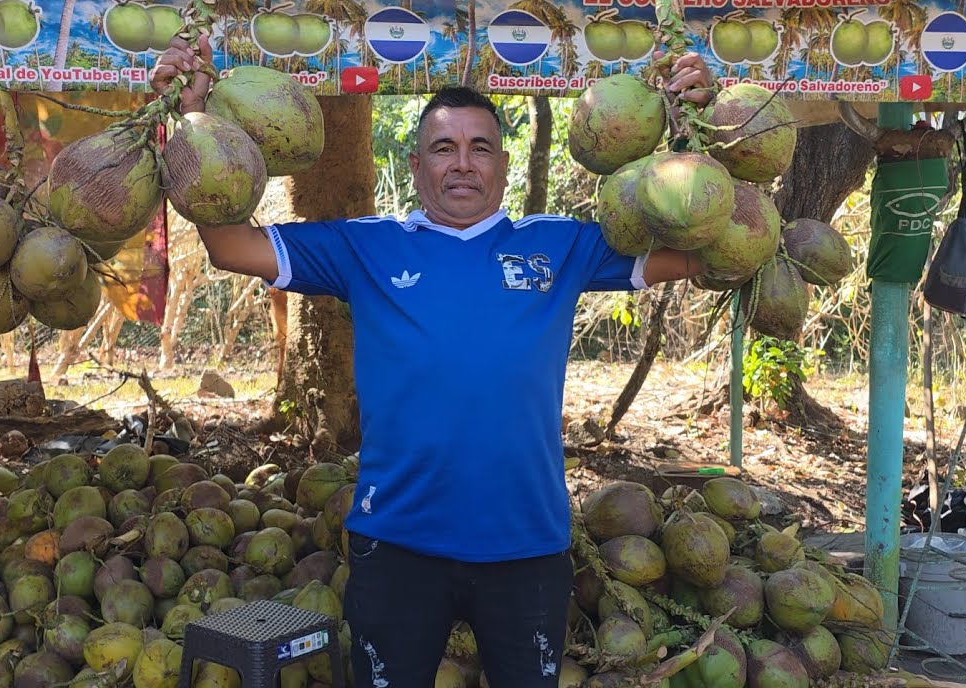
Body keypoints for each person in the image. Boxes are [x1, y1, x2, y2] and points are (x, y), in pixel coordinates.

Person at [151, 39, 713, 686]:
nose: (463, 163)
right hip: (397, 545)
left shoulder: (563, 245)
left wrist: (689, 132)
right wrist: (191, 120)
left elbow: (697, 251)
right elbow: (229, 246)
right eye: (445, 148)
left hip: (526, 547)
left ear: (503, 166)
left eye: (480, 148)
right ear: (416, 165)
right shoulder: (365, 246)